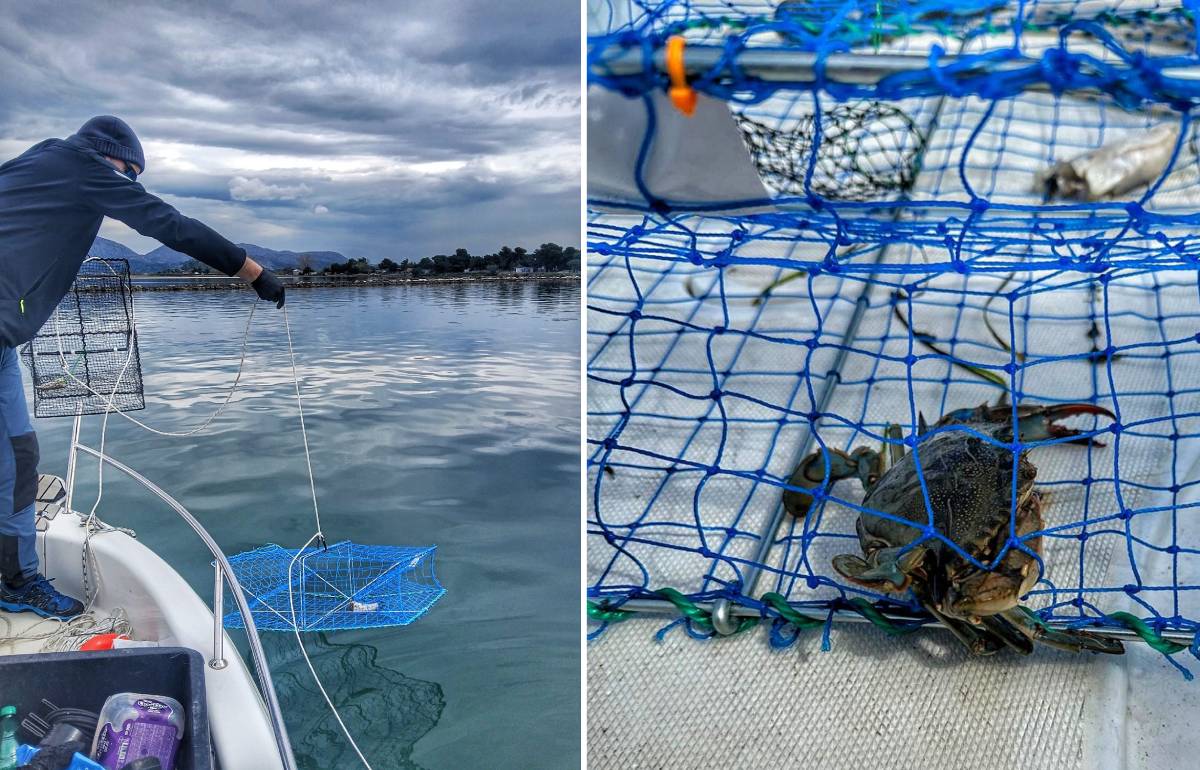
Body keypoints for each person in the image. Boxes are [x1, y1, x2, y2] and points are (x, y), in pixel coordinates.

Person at [0, 115, 286, 619]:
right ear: (112, 158)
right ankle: (18, 581)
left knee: (19, 458)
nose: (127, 188)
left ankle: (15, 574)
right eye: (129, 176)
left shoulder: (38, 161)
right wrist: (254, 272)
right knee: (17, 461)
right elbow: (171, 225)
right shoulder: (82, 168)